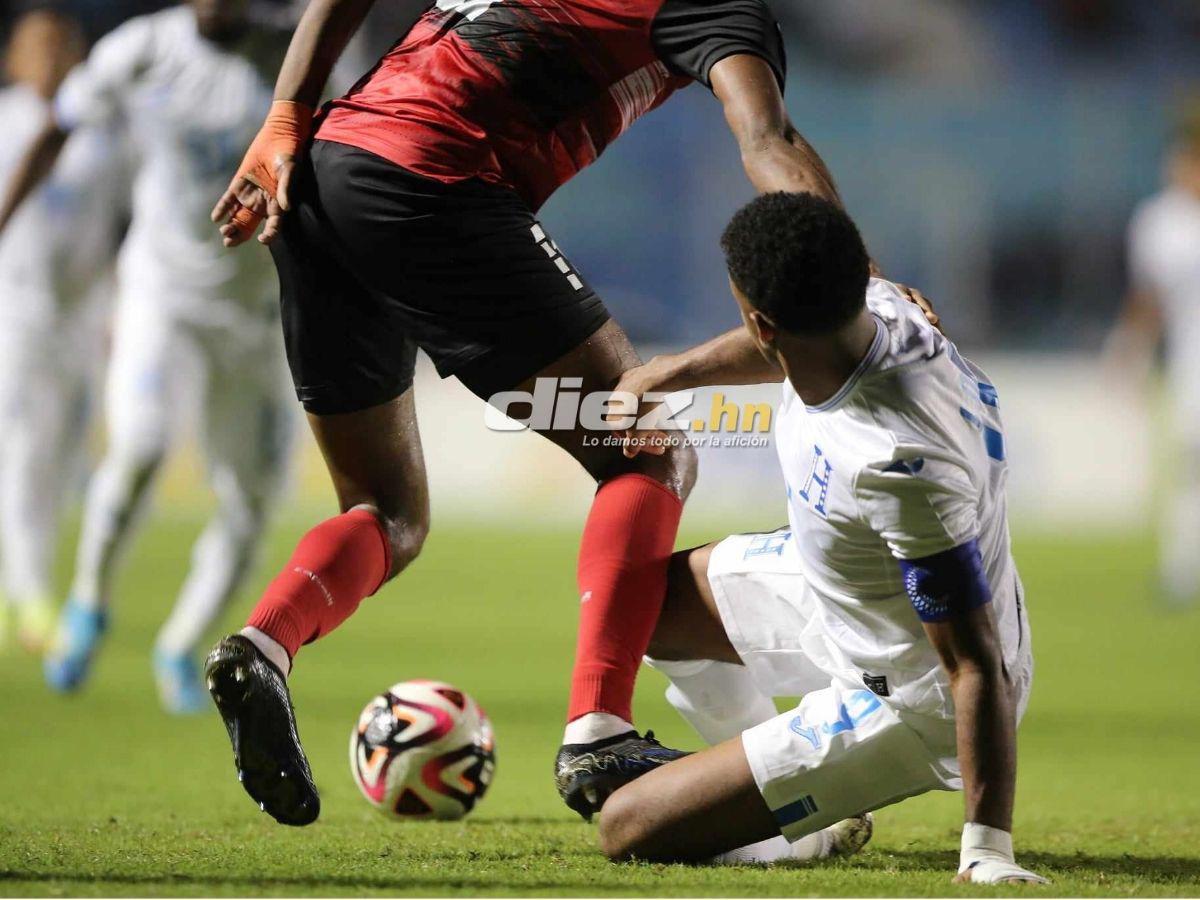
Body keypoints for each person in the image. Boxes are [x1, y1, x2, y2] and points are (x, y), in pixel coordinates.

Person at [202, 0, 898, 827]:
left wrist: (286, 115)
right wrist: (863, 289)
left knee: (384, 510)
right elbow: (767, 142)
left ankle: (262, 645)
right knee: (647, 452)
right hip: (433, 181)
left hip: (319, 172)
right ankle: (598, 732)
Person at [595, 192, 1044, 885]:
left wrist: (988, 851)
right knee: (648, 602)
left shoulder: (898, 465)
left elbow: (976, 664)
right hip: (840, 596)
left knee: (628, 826)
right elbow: (775, 343)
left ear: (760, 319)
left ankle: (798, 831)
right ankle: (779, 790)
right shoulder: (880, 309)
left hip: (911, 693)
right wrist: (666, 372)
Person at [0, 0, 295, 713]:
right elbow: (58, 127)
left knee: (252, 505)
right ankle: (88, 604)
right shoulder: (141, 50)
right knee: (142, 445)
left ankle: (181, 646)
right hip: (162, 294)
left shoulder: (297, 53)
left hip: (258, 316)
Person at [0, 6, 126, 654]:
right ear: (14, 59)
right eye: (37, 46)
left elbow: (118, 223)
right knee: (22, 452)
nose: (50, 57)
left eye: (60, 45)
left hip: (81, 320)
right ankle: (32, 597)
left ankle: (19, 587)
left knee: (61, 460)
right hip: (15, 314)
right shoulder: (5, 124)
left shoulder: (100, 133)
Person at [1106, 115, 1200, 608]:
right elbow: (1150, 297)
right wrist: (1130, 348)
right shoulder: (1161, 220)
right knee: (1190, 467)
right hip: (1192, 366)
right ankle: (1183, 569)